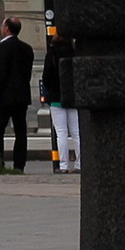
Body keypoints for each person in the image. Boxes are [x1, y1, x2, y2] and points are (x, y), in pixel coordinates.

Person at [0, 16, 37, 171]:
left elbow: (1, 73)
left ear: (7, 29)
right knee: (20, 131)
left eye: (2, 26)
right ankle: (19, 164)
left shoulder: (4, 47)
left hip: (6, 96)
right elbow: (27, 73)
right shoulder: (27, 48)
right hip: (22, 96)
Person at [43, 23, 81, 173]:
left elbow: (46, 77)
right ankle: (79, 164)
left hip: (56, 97)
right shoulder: (74, 53)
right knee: (76, 132)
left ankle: (64, 165)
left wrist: (51, 89)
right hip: (72, 96)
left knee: (61, 133)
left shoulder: (51, 54)